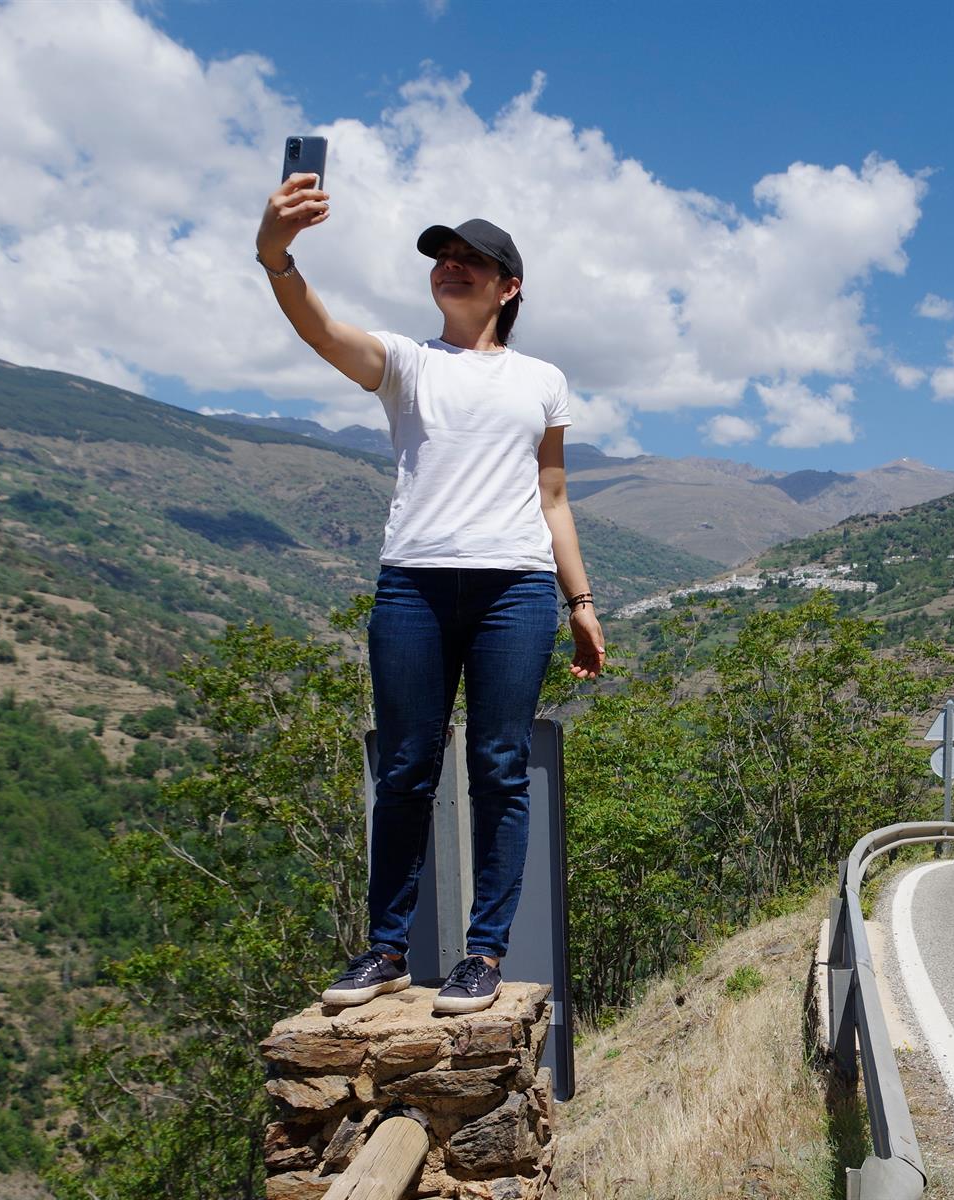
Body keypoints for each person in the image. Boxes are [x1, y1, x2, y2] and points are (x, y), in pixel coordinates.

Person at [255, 171, 604, 1015]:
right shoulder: (406, 363)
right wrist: (275, 255)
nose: (451, 266)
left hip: (515, 594)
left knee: (497, 770)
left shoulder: (543, 380)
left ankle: (482, 953)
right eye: (442, 257)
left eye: (471, 260)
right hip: (412, 588)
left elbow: (552, 498)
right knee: (407, 769)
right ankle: (387, 949)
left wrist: (581, 606)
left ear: (508, 285)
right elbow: (322, 331)